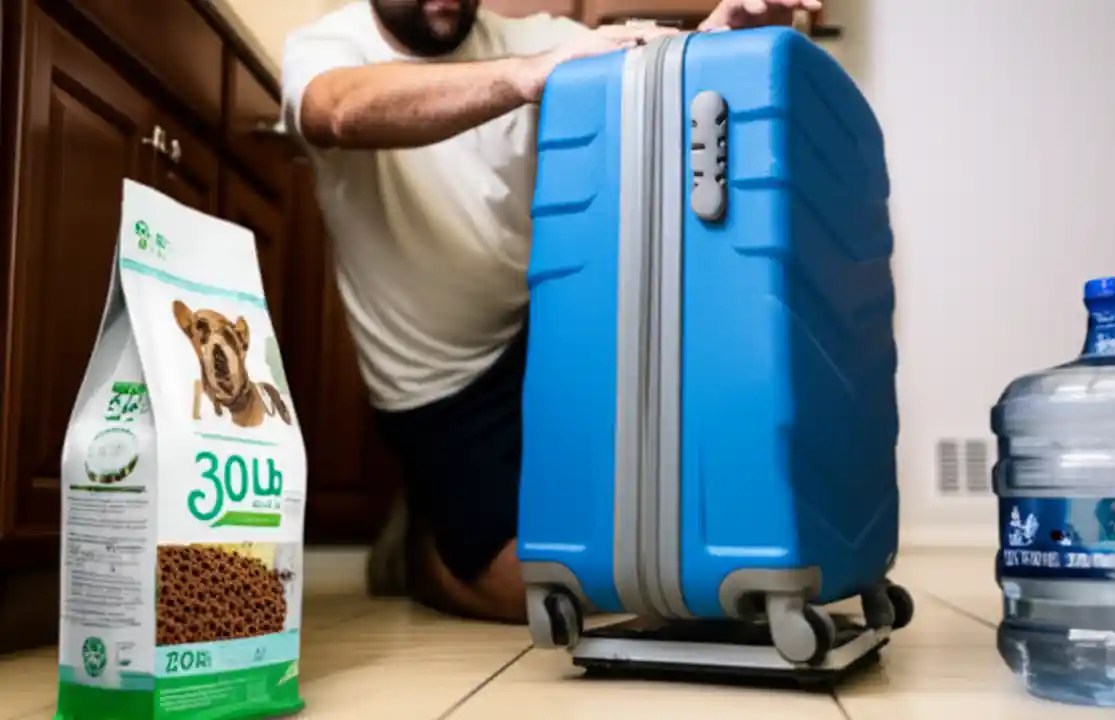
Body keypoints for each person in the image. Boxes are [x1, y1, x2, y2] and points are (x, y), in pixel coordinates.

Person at [280, 0, 822, 624]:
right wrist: (526, 76)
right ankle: (416, 553)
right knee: (540, 587)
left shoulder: (533, 37)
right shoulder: (328, 47)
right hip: (440, 385)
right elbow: (338, 110)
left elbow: (649, 71)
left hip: (541, 332)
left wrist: (718, 46)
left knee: (646, 528)